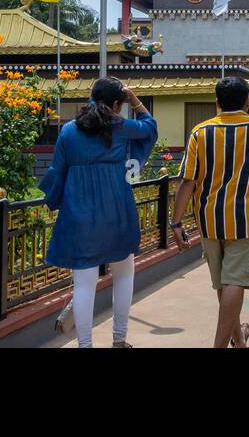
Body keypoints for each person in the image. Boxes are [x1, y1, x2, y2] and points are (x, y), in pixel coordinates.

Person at [40, 78, 157, 349]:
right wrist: (136, 100)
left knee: (84, 284)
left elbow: (57, 172)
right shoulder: (121, 127)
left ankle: (85, 345)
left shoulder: (68, 131)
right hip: (116, 209)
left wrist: (55, 201)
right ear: (117, 104)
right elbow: (150, 129)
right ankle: (119, 339)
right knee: (125, 273)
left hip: (79, 213)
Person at [170, 77, 249, 347]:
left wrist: (176, 223)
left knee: (224, 284)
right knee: (235, 282)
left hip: (210, 220)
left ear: (217, 103)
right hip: (247, 219)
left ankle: (240, 341)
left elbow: (187, 180)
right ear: (247, 103)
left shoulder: (201, 132)